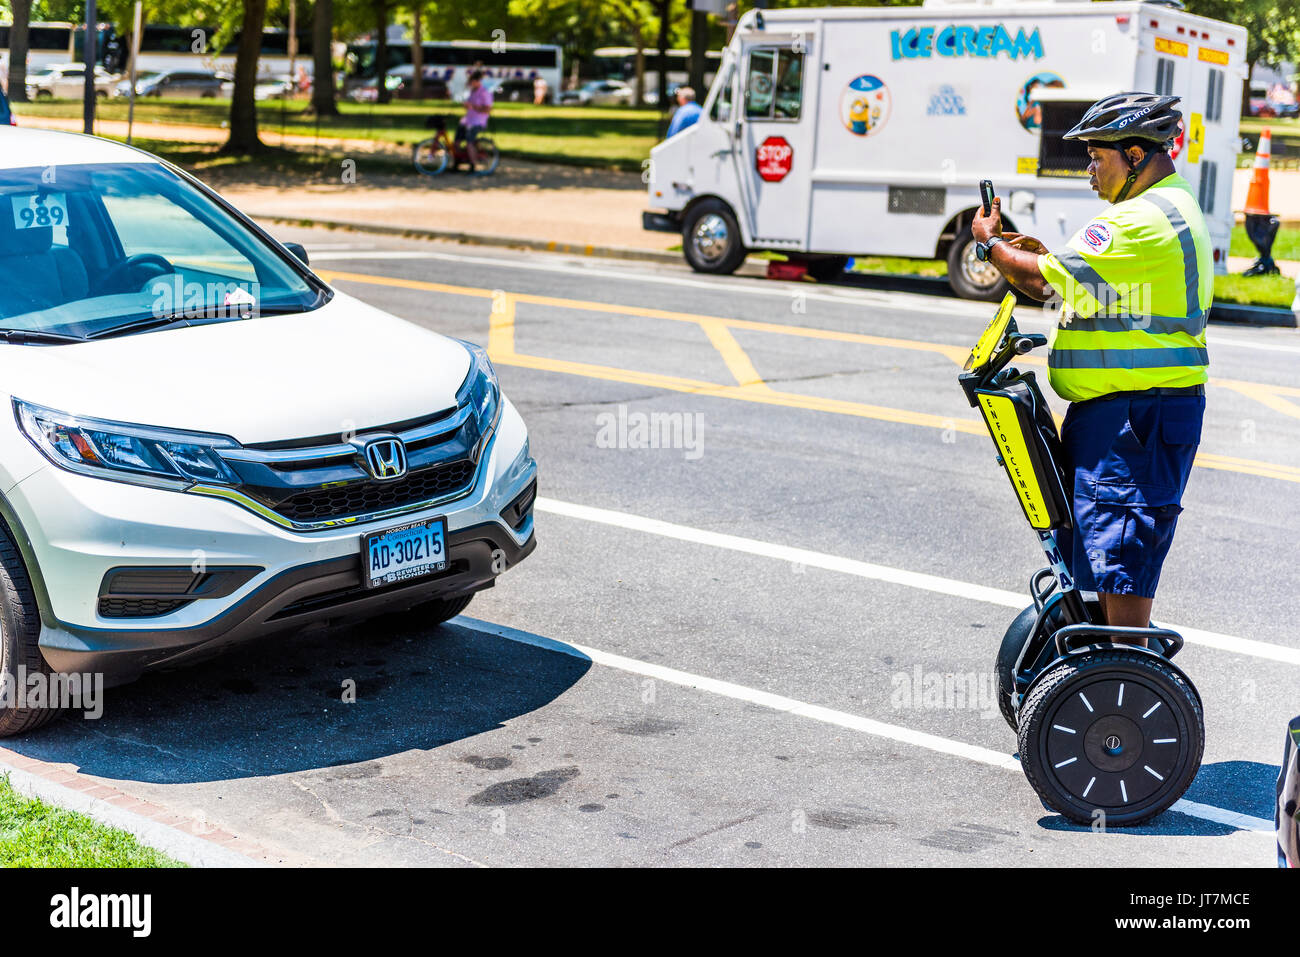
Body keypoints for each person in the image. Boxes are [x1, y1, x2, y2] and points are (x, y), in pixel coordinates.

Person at [970, 92, 1211, 637]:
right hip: (1132, 412)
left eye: (1096, 157)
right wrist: (1040, 255)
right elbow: (1099, 286)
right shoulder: (1166, 206)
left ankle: (1123, 683)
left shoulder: (1139, 220)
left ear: (1132, 155)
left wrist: (989, 246)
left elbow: (1037, 281)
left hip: (1133, 418)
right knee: (1108, 557)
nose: (1089, 171)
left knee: (1121, 562)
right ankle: (1109, 675)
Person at [459, 69, 493, 172]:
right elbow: (469, 106)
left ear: (478, 81)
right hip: (467, 121)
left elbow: (487, 110)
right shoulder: (472, 92)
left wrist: (473, 106)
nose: (470, 84)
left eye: (472, 82)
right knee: (457, 140)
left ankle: (473, 166)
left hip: (478, 122)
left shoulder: (484, 93)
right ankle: (457, 162)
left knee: (469, 141)